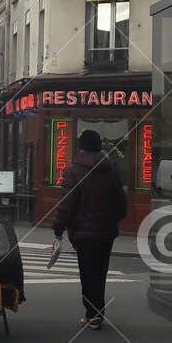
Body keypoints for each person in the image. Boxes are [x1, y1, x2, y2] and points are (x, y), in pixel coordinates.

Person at [52, 129, 128, 330]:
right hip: (106, 231)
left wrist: (58, 227)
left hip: (83, 232)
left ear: (81, 147)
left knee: (87, 272)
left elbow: (66, 204)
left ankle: (92, 313)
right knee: (100, 272)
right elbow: (122, 203)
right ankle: (97, 313)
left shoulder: (74, 171)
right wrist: (113, 220)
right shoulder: (111, 170)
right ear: (99, 146)